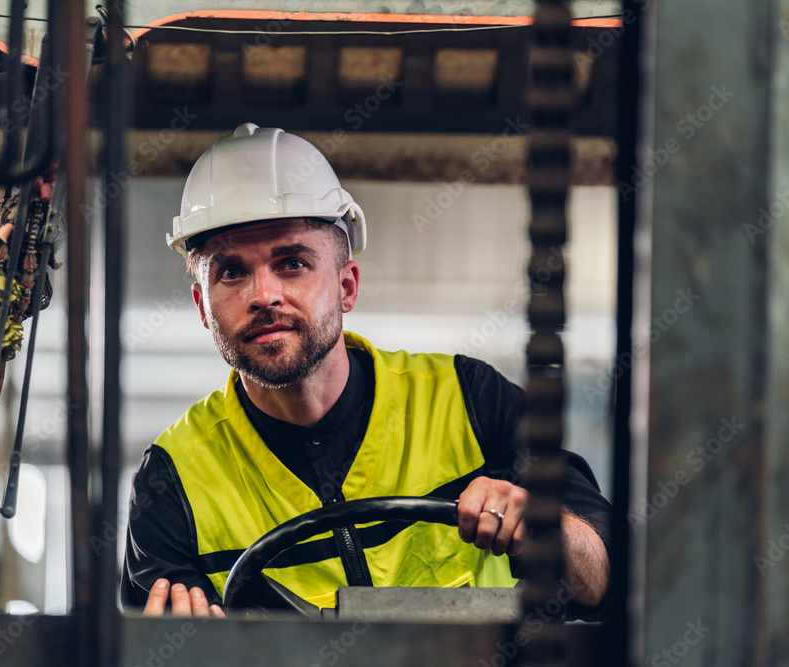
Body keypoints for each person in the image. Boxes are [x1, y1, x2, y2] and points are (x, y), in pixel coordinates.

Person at [120, 123, 611, 617]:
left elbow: (610, 581)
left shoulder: (469, 401)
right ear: (204, 306)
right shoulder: (172, 481)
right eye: (231, 272)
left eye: (292, 263)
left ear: (347, 286)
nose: (263, 295)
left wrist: (548, 527)